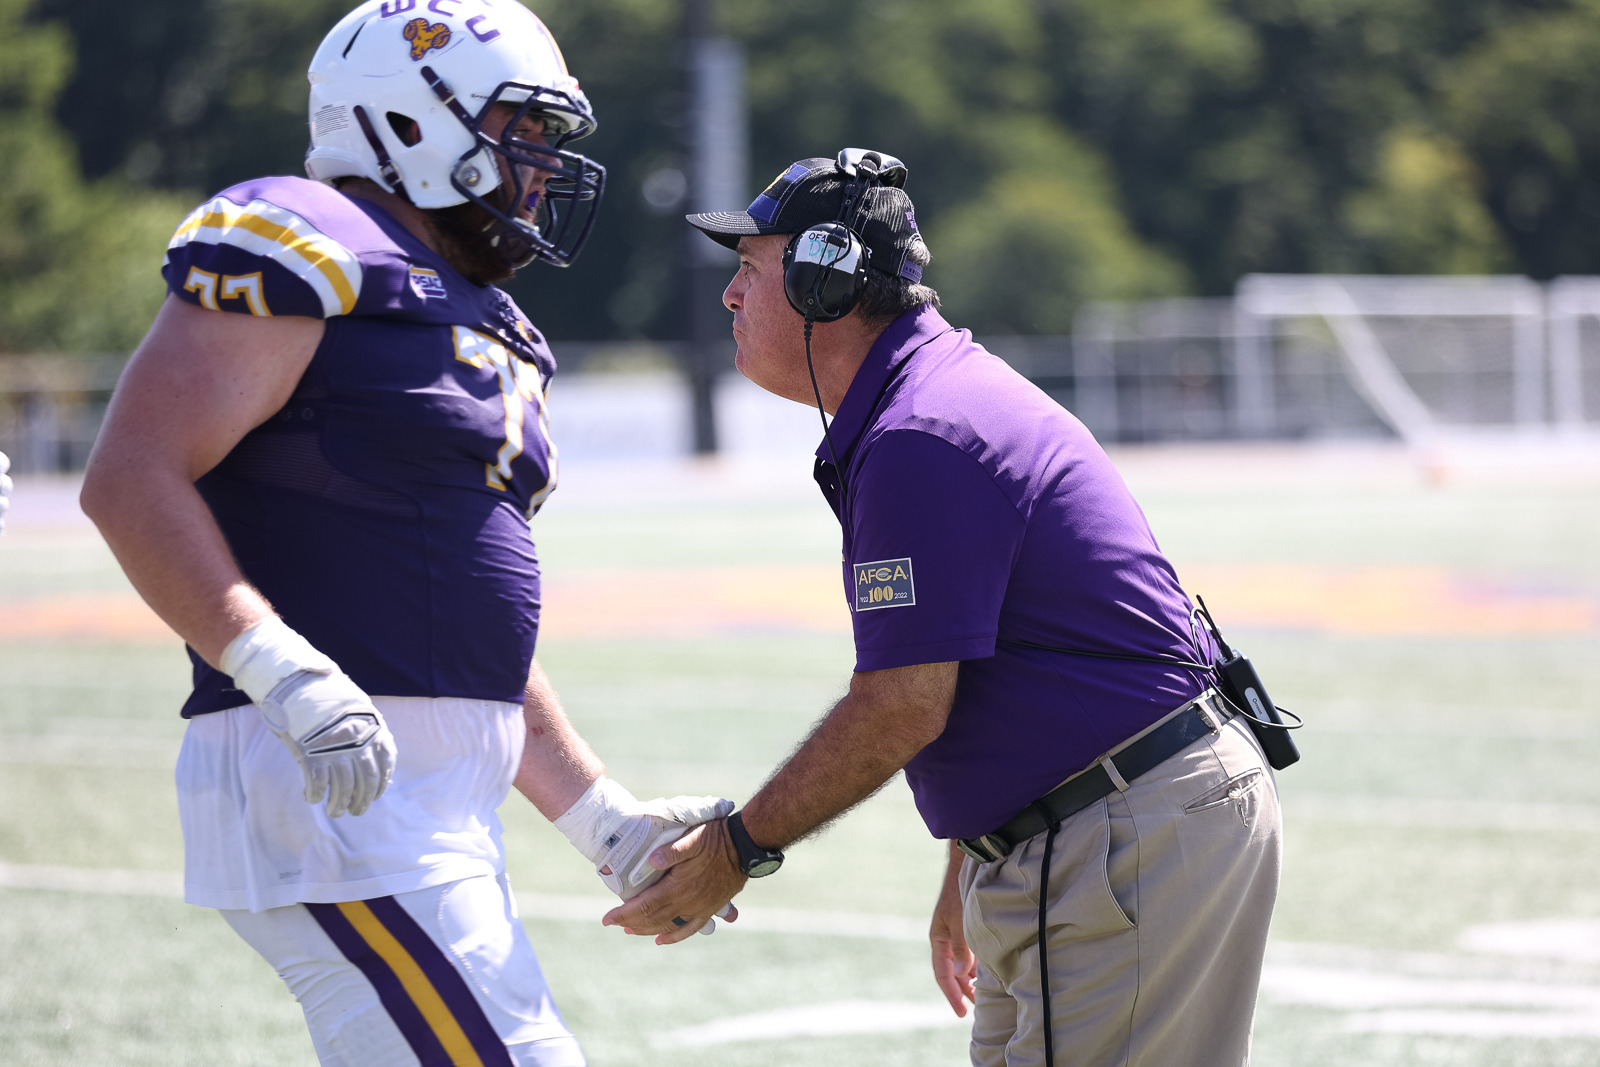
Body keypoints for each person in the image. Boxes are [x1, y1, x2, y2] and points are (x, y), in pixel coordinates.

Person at [80, 4, 729, 1064]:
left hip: (428, 798)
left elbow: (449, 607)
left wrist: (600, 817)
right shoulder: (310, 234)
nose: (544, 164)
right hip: (334, 785)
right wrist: (279, 670)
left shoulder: (481, 313)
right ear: (412, 118)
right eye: (524, 129)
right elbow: (131, 475)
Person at [604, 150, 1284, 1066]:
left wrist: (737, 848)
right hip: (1110, 819)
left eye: (750, 269)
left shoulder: (919, 434)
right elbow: (1009, 654)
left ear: (821, 284)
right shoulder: (928, 398)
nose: (729, 295)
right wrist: (978, 847)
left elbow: (903, 704)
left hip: (1119, 828)